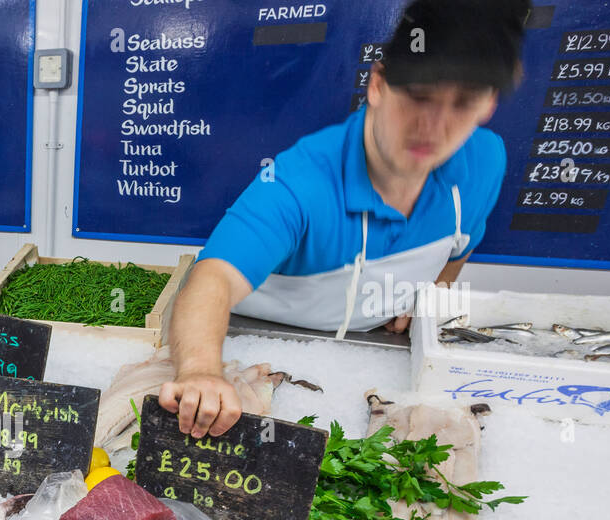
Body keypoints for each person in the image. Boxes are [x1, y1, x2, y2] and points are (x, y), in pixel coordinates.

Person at [160, 0, 531, 439]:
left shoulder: (485, 160)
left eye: (462, 104)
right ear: (378, 84)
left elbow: (460, 248)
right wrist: (202, 370)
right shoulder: (298, 180)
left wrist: (430, 300)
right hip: (253, 345)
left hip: (368, 359)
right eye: (418, 95)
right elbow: (212, 278)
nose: (432, 126)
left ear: (486, 106)